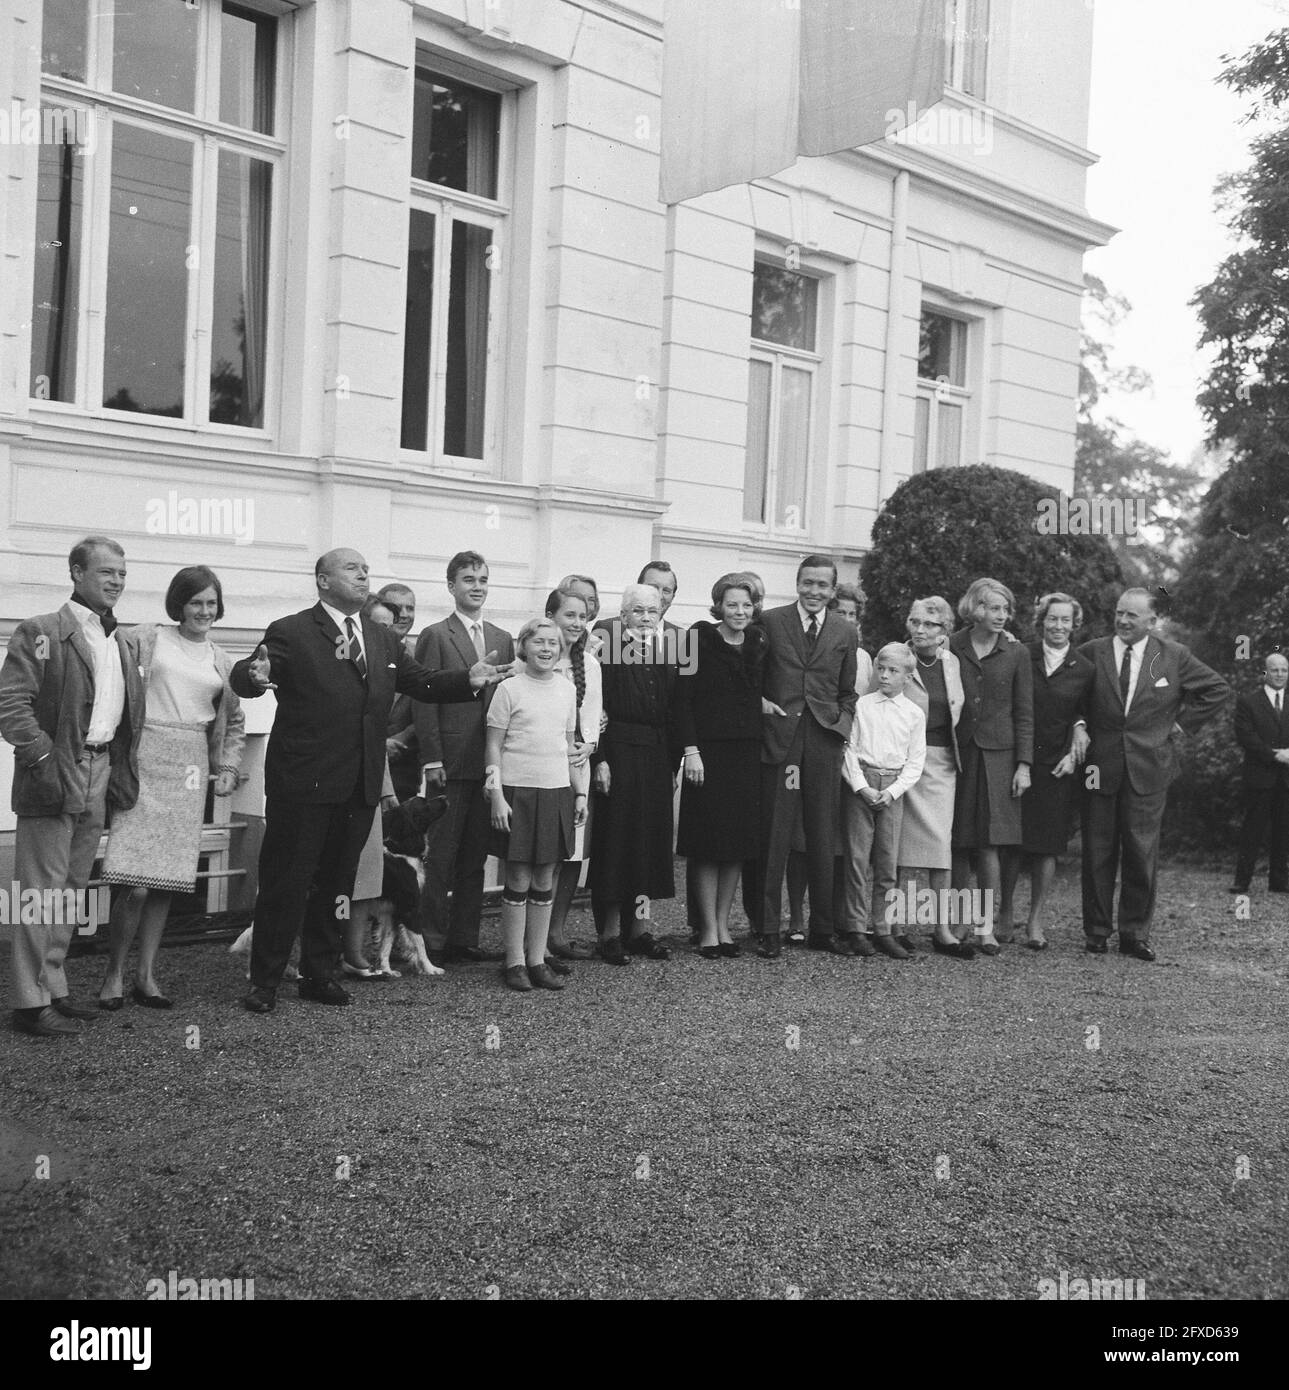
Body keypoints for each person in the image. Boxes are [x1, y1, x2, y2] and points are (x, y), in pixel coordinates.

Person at [231, 548, 505, 1014]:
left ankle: (320, 973)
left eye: (365, 569)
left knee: (337, 886)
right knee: (287, 884)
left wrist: (469, 680)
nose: (363, 574)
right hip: (304, 785)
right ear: (322, 580)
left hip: (357, 787)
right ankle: (266, 982)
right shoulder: (293, 630)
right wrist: (251, 677)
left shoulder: (380, 637)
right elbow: (253, 671)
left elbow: (422, 682)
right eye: (351, 568)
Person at [0, 537, 145, 1038]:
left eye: (122, 574)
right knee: (38, 890)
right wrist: (41, 756)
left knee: (71, 886)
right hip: (54, 770)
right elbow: (11, 703)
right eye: (106, 572)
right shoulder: (41, 631)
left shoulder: (123, 641)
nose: (116, 582)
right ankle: (28, 1002)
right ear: (76, 572)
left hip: (100, 769)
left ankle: (54, 987)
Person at [98, 567, 246, 1009]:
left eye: (211, 603)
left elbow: (235, 722)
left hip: (190, 765)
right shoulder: (145, 639)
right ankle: (112, 976)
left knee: (167, 882)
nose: (204, 611)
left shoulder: (222, 660)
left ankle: (146, 976)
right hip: (143, 758)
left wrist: (230, 767)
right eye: (196, 601)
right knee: (133, 881)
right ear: (178, 603)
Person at [1079, 588, 1229, 960]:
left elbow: (1217, 689)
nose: (1123, 621)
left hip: (1150, 767)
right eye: (1119, 613)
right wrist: (1079, 723)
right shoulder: (1091, 651)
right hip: (1099, 766)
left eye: (1132, 616)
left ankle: (1134, 934)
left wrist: (1177, 727)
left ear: (1151, 621)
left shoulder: (1174, 655)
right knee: (1097, 851)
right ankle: (1096, 931)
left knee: (1141, 853)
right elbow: (1071, 698)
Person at [412, 551, 515, 965]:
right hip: (450, 761)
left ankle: (463, 937)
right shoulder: (435, 635)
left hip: (488, 761)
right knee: (441, 854)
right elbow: (424, 699)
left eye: (483, 579)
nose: (477, 586)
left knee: (476, 853)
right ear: (451, 585)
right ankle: (431, 940)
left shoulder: (502, 637)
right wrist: (432, 758)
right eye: (468, 579)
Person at [758, 555, 857, 959]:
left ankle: (823, 928)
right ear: (797, 583)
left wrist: (841, 725)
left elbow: (848, 692)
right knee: (775, 836)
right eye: (808, 583)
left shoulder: (844, 630)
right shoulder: (770, 621)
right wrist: (761, 704)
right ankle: (767, 928)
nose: (814, 592)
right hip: (781, 739)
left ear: (833, 591)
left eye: (822, 585)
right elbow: (756, 677)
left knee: (822, 836)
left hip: (823, 741)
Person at [485, 617, 582, 992]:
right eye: (538, 642)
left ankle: (537, 959)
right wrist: (495, 794)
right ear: (523, 646)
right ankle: (513, 962)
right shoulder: (509, 689)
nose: (546, 649)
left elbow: (567, 745)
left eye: (553, 644)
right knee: (519, 876)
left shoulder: (566, 689)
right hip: (516, 792)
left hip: (555, 791)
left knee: (545, 877)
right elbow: (492, 745)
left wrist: (579, 792)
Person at [677, 574, 766, 959]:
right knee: (708, 844)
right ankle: (708, 929)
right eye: (732, 604)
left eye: (746, 605)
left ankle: (724, 925)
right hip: (707, 755)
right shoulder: (697, 639)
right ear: (719, 605)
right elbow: (681, 700)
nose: (740, 612)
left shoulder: (757, 643)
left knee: (736, 846)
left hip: (746, 755)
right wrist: (691, 750)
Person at [998, 593, 1094, 950]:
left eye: (1065, 620)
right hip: (1019, 759)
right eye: (1052, 619)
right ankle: (1005, 913)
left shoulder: (1084, 668)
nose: (1058, 626)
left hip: (1059, 766)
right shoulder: (1022, 653)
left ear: (1075, 624)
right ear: (1042, 621)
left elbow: (1086, 712)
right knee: (1011, 842)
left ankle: (1036, 920)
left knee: (1048, 847)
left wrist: (1078, 738)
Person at [782, 581, 875, 945]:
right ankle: (796, 917)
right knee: (802, 837)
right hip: (817, 746)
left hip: (850, 755)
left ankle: (835, 916)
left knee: (838, 842)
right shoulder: (814, 642)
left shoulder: (866, 656)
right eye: (841, 613)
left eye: (853, 615)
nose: (846, 619)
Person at [591, 583, 679, 963]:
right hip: (619, 754)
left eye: (652, 611)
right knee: (616, 844)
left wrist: (673, 762)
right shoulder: (606, 654)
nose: (645, 618)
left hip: (656, 756)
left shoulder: (667, 653)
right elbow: (597, 712)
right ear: (623, 615)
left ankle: (639, 930)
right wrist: (602, 761)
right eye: (638, 611)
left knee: (649, 847)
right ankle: (609, 934)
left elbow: (675, 710)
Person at [948, 578, 1033, 955]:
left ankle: (985, 928)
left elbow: (1025, 713)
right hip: (958, 754)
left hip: (1000, 757)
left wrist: (1024, 764)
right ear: (975, 609)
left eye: (1005, 610)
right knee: (957, 842)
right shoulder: (952, 645)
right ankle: (958, 922)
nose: (1000, 616)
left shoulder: (1016, 652)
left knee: (989, 844)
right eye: (993, 608)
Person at [839, 643, 926, 959]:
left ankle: (883, 929)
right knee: (857, 859)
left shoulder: (914, 714)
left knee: (887, 862)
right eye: (882, 669)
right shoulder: (862, 706)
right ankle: (855, 929)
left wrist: (891, 792)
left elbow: (916, 761)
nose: (886, 676)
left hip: (892, 789)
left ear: (907, 675)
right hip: (861, 784)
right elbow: (849, 749)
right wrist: (862, 787)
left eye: (894, 671)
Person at [896, 597, 970, 958]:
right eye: (914, 622)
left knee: (940, 846)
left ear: (945, 631)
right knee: (898, 849)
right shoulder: (897, 657)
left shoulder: (951, 663)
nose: (920, 630)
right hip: (903, 762)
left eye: (929, 624)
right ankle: (895, 926)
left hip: (941, 761)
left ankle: (941, 929)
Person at [342, 595, 402, 979]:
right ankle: (333, 949)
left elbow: (377, 736)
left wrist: (387, 791)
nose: (382, 631)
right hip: (336, 778)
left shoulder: (389, 664)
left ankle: (355, 952)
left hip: (371, 780)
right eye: (375, 623)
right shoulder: (343, 658)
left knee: (366, 877)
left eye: (389, 625)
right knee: (336, 877)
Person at [543, 584, 602, 960]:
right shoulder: (538, 656)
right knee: (543, 852)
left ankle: (555, 931)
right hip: (540, 765)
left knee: (571, 854)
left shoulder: (590, 665)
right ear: (551, 616)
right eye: (570, 615)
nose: (578, 623)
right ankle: (532, 936)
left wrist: (590, 745)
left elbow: (592, 718)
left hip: (575, 766)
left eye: (583, 616)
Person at [1231, 653, 1289, 895]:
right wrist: (1275, 755)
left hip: (1286, 777)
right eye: (1274, 670)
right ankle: (1242, 881)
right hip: (1260, 775)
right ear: (1265, 672)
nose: (1279, 674)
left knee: (1284, 830)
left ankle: (1279, 881)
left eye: (1284, 670)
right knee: (1252, 829)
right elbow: (1246, 737)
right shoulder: (1248, 702)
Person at [378, 583, 421, 800]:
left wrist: (402, 739)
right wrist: (378, 744)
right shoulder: (356, 651)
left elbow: (429, 708)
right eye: (396, 608)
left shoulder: (421, 654)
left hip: (404, 765)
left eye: (410, 608)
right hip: (362, 762)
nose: (404, 615)